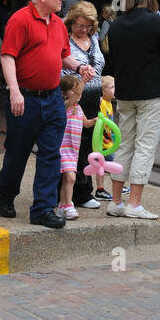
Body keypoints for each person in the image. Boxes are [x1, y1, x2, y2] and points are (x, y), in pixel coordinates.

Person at [0, 0, 95, 229]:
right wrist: (14, 92)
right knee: (18, 153)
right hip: (26, 98)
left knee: (52, 154)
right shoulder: (20, 20)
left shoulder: (59, 25)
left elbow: (63, 56)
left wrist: (80, 66)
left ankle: (42, 208)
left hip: (53, 98)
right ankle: (6, 195)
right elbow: (8, 57)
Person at [105, 0, 160, 219]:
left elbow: (113, 60)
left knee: (125, 144)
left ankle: (116, 201)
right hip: (151, 92)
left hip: (125, 93)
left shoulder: (116, 24)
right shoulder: (155, 21)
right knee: (145, 147)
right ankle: (134, 203)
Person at [64, 1, 105, 210]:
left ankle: (84, 192)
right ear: (71, 22)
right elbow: (62, 73)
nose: (84, 29)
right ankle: (64, 193)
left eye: (88, 25)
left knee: (90, 145)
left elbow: (100, 66)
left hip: (93, 98)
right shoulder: (65, 42)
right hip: (73, 99)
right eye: (81, 25)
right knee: (71, 146)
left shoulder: (94, 39)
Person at [57, 74, 97, 219]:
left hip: (74, 150)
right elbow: (76, 96)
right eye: (72, 90)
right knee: (70, 177)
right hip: (62, 148)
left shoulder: (78, 108)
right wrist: (83, 81)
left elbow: (85, 123)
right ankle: (68, 205)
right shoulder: (64, 106)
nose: (76, 93)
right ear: (64, 93)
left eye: (77, 89)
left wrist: (96, 120)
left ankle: (63, 205)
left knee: (69, 179)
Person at [94, 74, 117, 199]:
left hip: (108, 141)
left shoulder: (109, 103)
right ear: (103, 91)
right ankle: (107, 188)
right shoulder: (102, 102)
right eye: (112, 87)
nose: (114, 89)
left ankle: (105, 188)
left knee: (103, 165)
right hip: (102, 142)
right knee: (108, 165)